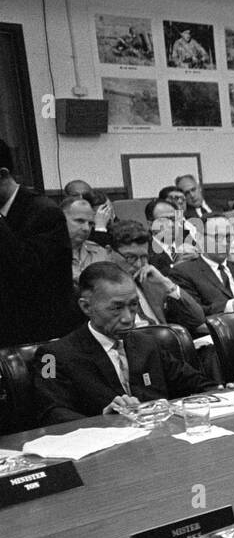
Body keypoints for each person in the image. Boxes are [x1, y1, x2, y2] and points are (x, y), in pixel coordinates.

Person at [32, 263, 215, 425]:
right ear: (86, 307)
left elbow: (196, 384)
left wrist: (223, 391)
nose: (128, 318)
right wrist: (102, 422)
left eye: (134, 305)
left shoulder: (149, 344)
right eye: (116, 308)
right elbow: (51, 413)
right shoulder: (51, 356)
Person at [0, 137, 81, 346]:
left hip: (41, 337)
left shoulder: (44, 213)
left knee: (48, 375)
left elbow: (25, 270)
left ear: (3, 175)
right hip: (7, 333)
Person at [105, 220, 207, 337]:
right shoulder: (100, 288)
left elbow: (197, 319)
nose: (138, 264)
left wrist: (167, 284)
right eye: (130, 257)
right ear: (109, 252)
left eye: (143, 257)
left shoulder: (152, 282)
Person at [171, 219, 234, 315]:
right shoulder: (184, 272)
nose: (225, 243)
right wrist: (230, 306)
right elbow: (193, 312)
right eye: (217, 237)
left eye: (228, 237)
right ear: (200, 238)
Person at [143, 198, 201, 275]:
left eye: (174, 219)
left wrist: (199, 261)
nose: (171, 224)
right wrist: (176, 266)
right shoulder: (144, 249)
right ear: (150, 225)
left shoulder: (189, 240)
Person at [61, 196, 112, 279]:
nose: (86, 228)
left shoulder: (101, 252)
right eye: (79, 221)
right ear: (61, 220)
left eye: (90, 223)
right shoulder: (45, 254)